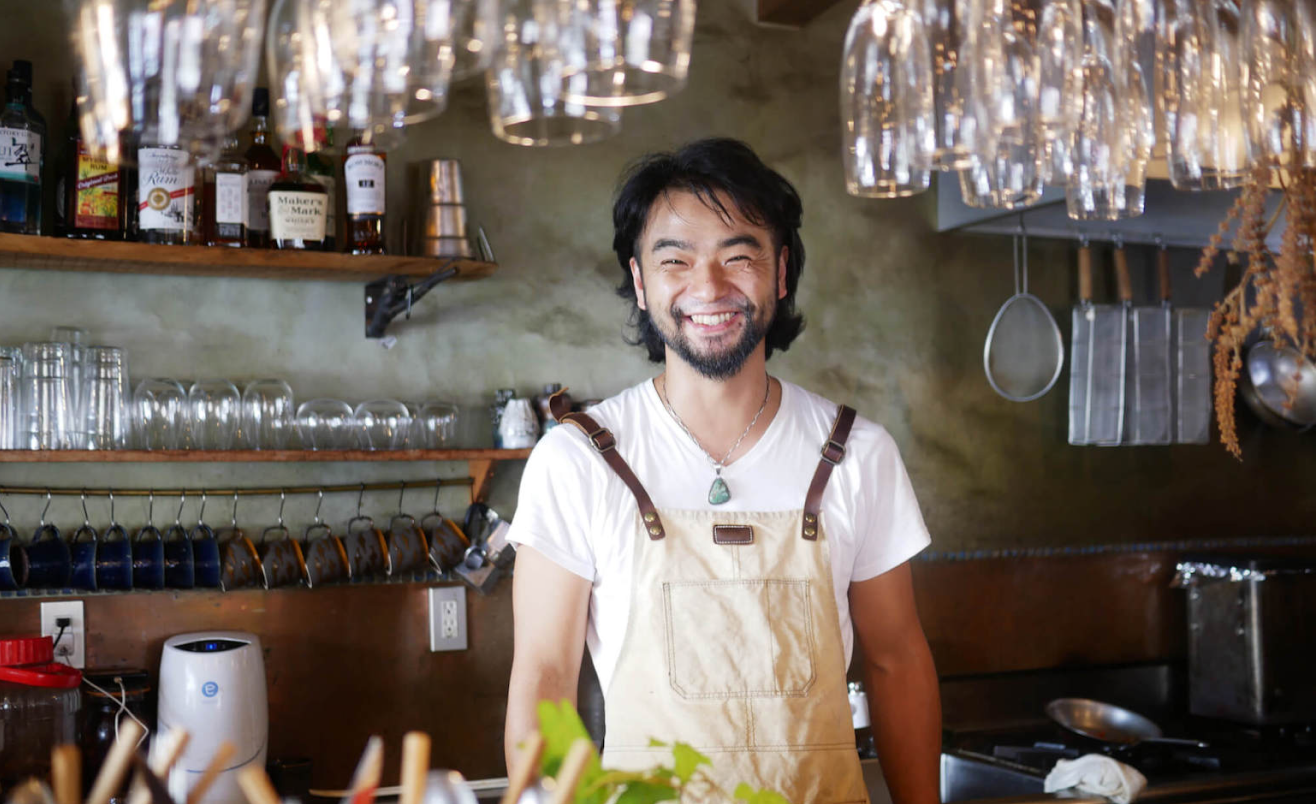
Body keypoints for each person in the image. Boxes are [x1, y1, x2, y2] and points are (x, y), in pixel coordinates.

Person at [505, 138, 940, 804]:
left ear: (781, 273)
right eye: (676, 259)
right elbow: (544, 680)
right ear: (642, 283)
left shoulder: (859, 454)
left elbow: (897, 661)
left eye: (739, 256)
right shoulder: (576, 461)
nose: (708, 287)